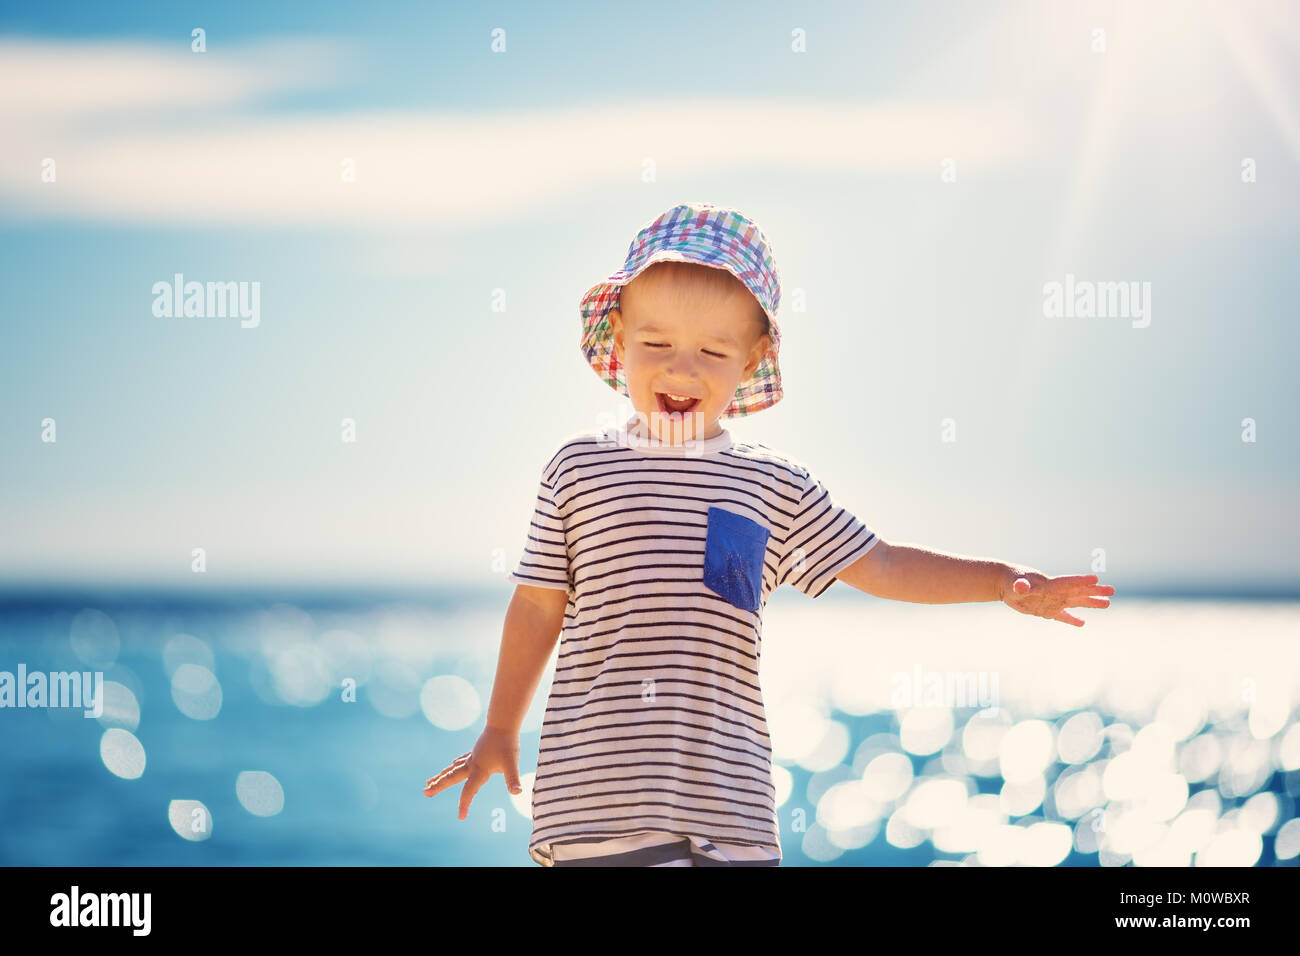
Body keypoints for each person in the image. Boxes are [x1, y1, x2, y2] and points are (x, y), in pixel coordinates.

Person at [422, 201, 1114, 866]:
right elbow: (541, 603)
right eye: (655, 342)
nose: (681, 368)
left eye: (713, 352)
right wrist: (501, 729)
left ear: (751, 362)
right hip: (604, 801)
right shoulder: (580, 468)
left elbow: (884, 565)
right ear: (619, 336)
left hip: (735, 808)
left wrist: (999, 583)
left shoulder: (772, 485)